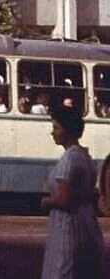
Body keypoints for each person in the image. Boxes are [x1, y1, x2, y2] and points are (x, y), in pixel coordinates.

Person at [40, 106, 104, 278]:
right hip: (87, 222)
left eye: (56, 128)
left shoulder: (69, 158)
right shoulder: (85, 157)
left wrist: (47, 202)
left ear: (67, 131)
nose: (53, 133)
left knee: (63, 269)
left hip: (68, 225)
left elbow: (63, 199)